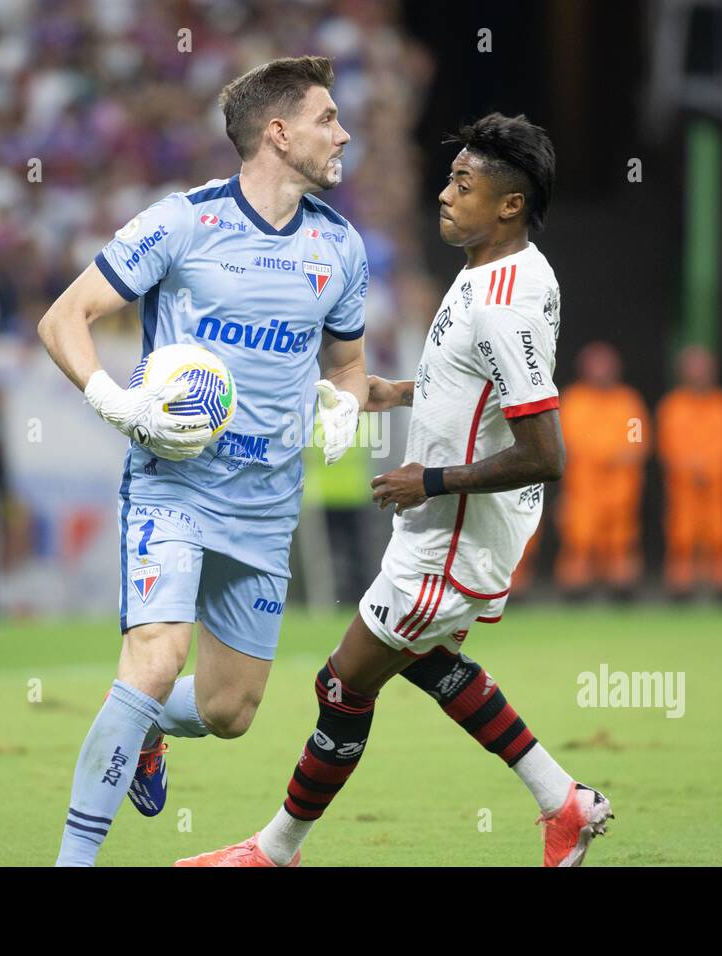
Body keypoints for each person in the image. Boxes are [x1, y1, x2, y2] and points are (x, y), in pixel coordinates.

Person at [176, 113, 613, 868]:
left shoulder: (503, 297)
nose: (445, 194)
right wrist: (402, 392)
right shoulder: (506, 270)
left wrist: (429, 478)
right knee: (424, 659)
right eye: (450, 179)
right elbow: (485, 387)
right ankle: (562, 801)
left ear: (510, 204)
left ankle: (273, 852)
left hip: (454, 529)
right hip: (459, 522)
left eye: (464, 184)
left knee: (341, 685)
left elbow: (546, 451)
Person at [36, 56, 370, 866]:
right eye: (328, 117)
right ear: (277, 132)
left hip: (267, 502)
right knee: (154, 660)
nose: (344, 131)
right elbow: (64, 317)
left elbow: (349, 363)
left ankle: (149, 727)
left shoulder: (340, 244)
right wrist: (111, 397)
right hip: (174, 485)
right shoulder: (182, 223)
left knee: (230, 711)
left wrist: (348, 403)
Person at [550, 342, 650, 598]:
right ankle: (575, 589)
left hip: (620, 490)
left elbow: (637, 439)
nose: (601, 372)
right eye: (596, 366)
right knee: (579, 539)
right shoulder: (573, 400)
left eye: (606, 366)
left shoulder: (629, 402)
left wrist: (626, 453)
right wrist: (601, 456)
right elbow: (564, 442)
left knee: (621, 542)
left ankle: (622, 588)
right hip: (583, 489)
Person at [656, 345, 722, 598]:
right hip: (684, 489)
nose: (699, 376)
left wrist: (708, 469)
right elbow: (667, 447)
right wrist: (690, 468)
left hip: (717, 488)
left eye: (703, 370)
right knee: (682, 536)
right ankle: (681, 588)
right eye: (694, 370)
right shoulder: (672, 407)